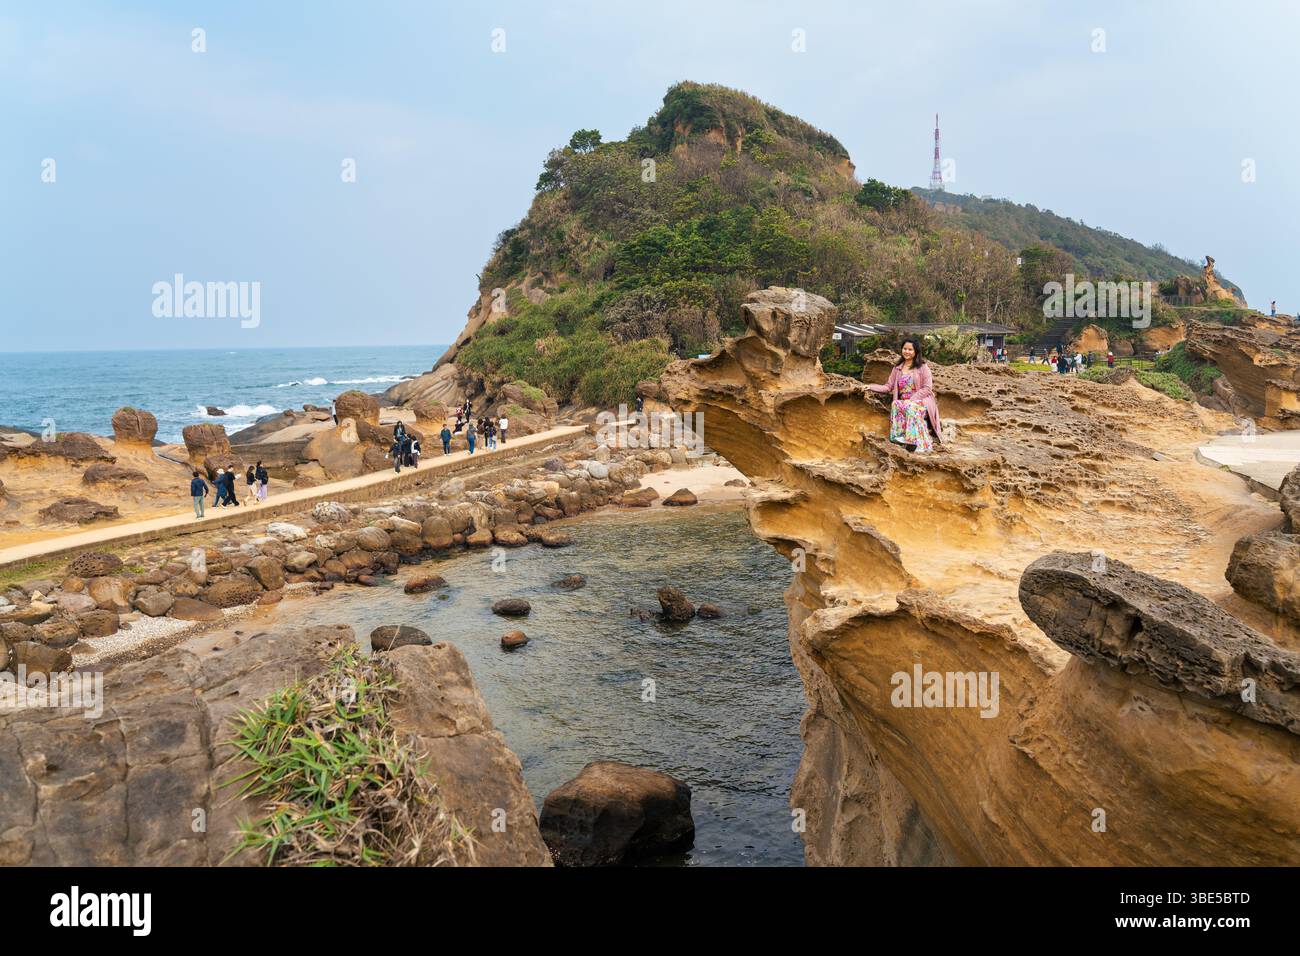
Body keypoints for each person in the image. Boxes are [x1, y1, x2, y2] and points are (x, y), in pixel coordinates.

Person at [865, 338, 941, 454]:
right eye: (905, 349)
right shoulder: (897, 368)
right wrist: (869, 387)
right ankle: (899, 437)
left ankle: (916, 442)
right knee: (896, 403)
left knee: (910, 406)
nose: (907, 351)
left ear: (916, 351)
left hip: (922, 401)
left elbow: (927, 388)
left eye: (910, 349)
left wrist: (912, 400)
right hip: (905, 402)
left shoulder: (923, 367)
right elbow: (888, 387)